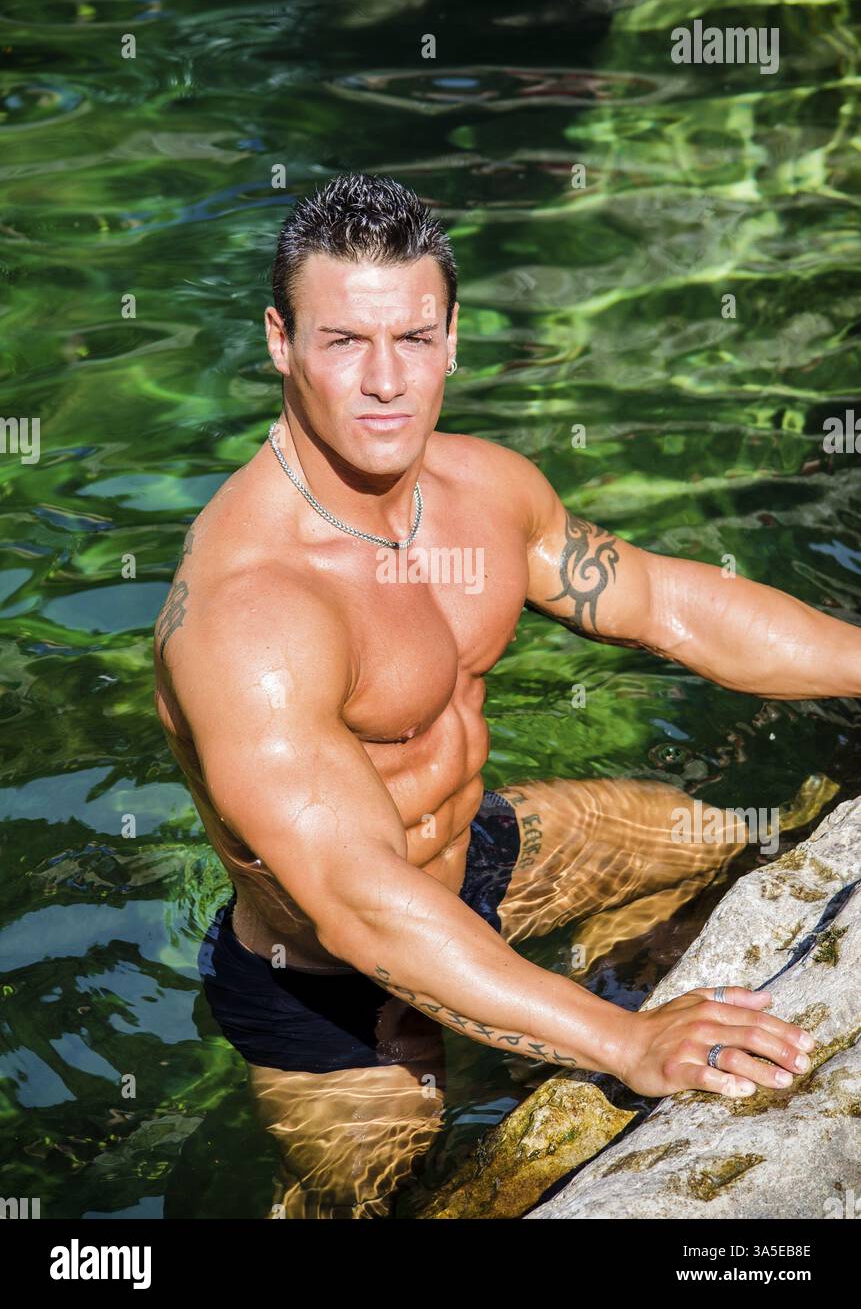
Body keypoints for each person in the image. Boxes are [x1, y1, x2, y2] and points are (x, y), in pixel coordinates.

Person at [153, 172, 849, 1218]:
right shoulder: (251, 613)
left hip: (479, 854)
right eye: (345, 341)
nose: (387, 381)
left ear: (454, 336)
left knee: (731, 837)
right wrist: (628, 1040)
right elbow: (358, 907)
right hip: (334, 984)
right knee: (388, 1199)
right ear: (279, 342)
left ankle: (591, 990)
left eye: (415, 339)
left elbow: (666, 603)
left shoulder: (483, 491)